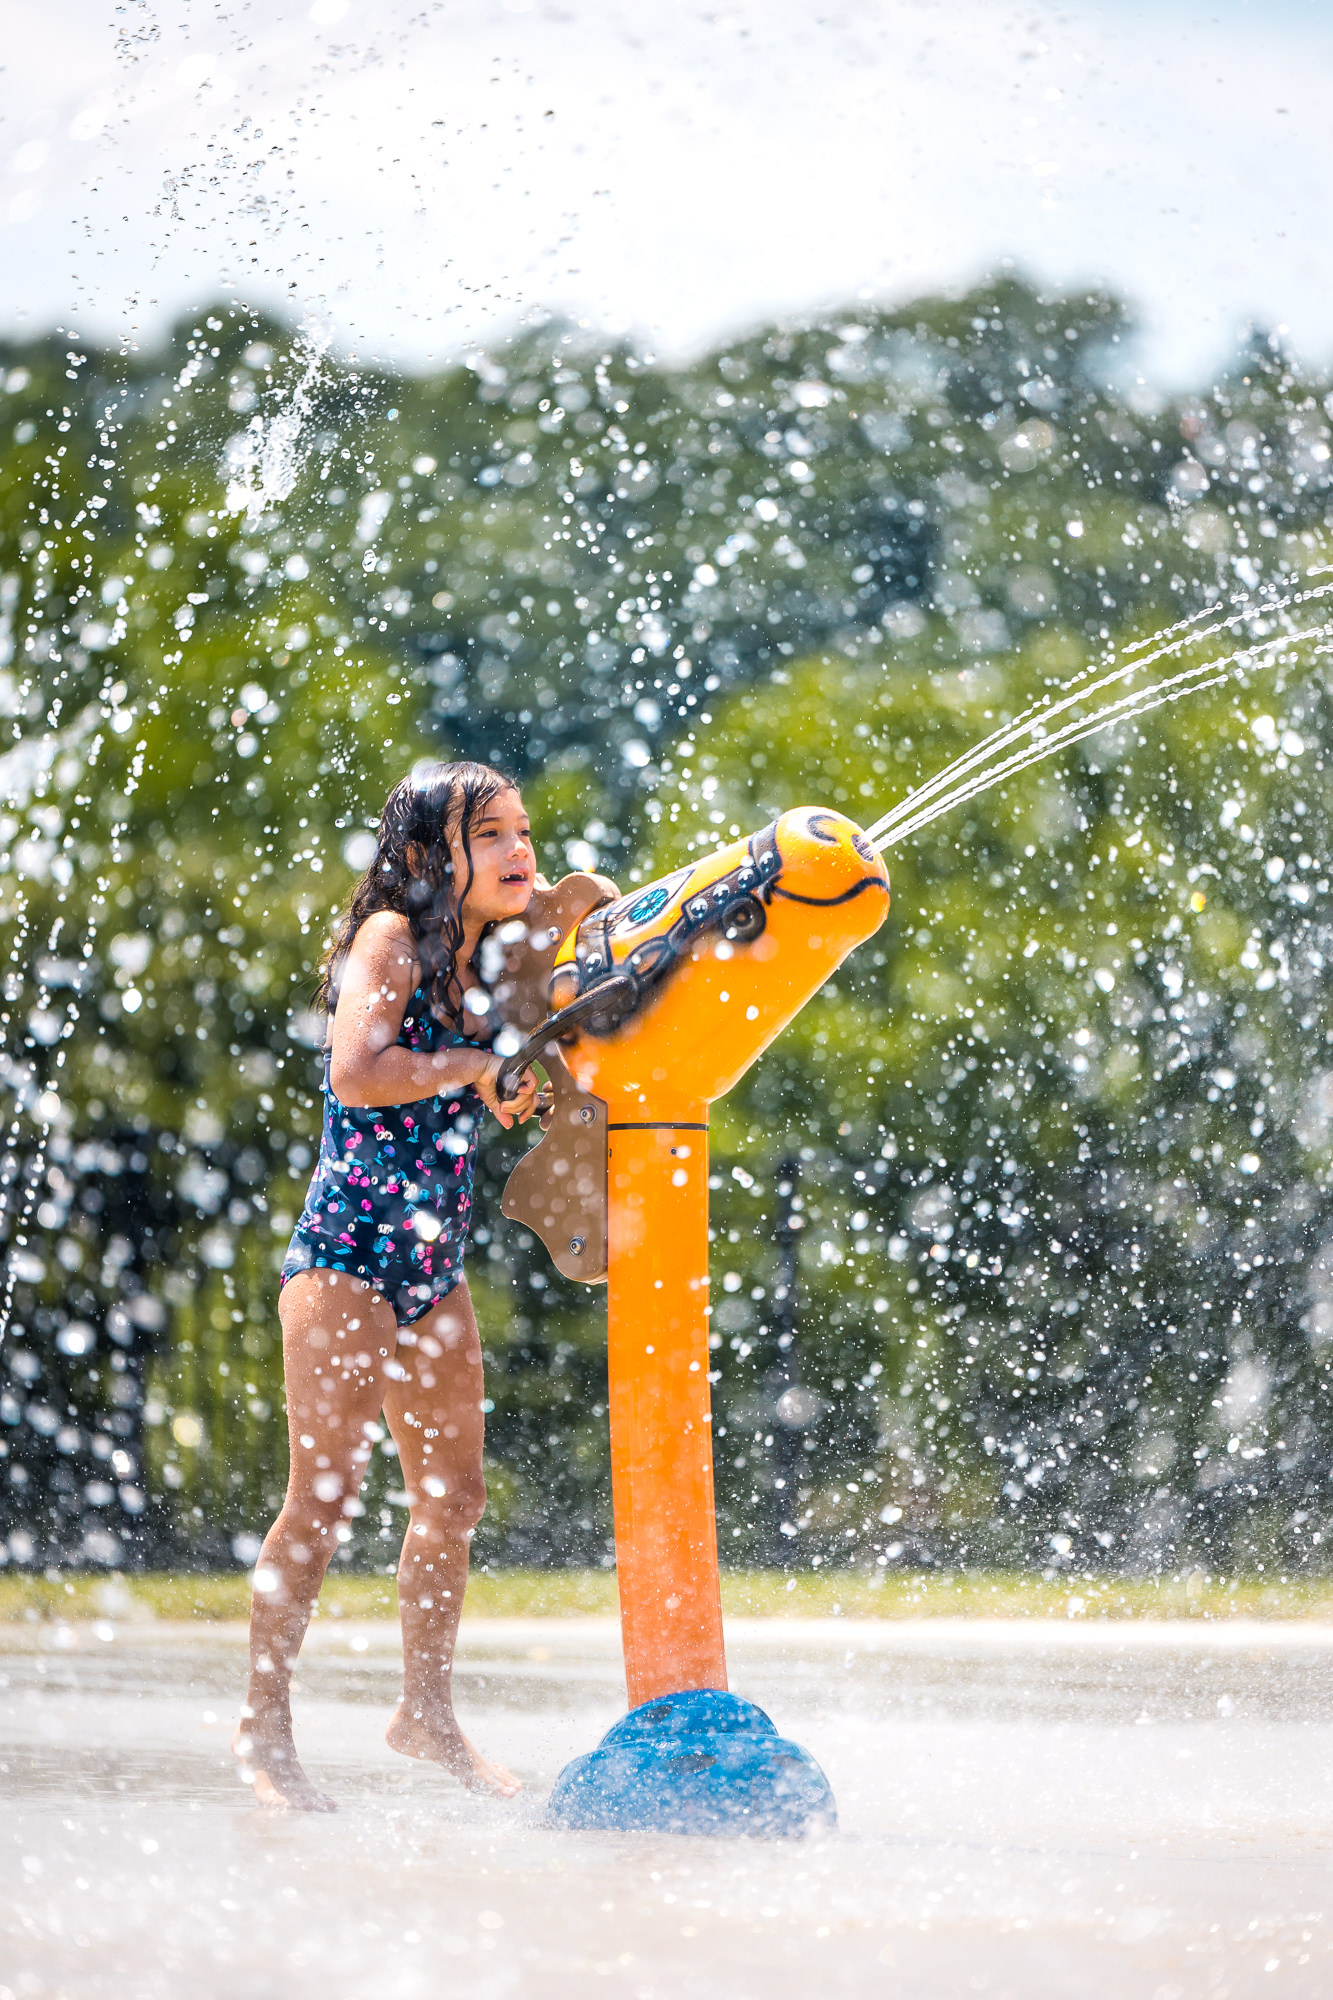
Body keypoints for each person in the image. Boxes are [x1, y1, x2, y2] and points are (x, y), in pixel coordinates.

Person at [233, 760, 547, 1811]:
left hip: (430, 1264)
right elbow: (358, 1071)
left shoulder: (487, 960)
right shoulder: (393, 940)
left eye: (522, 830)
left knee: (455, 1496)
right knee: (322, 1498)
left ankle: (426, 1713)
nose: (518, 850)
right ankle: (264, 1727)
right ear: (424, 855)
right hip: (346, 1256)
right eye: (490, 833)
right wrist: (473, 1066)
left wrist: (515, 1082)